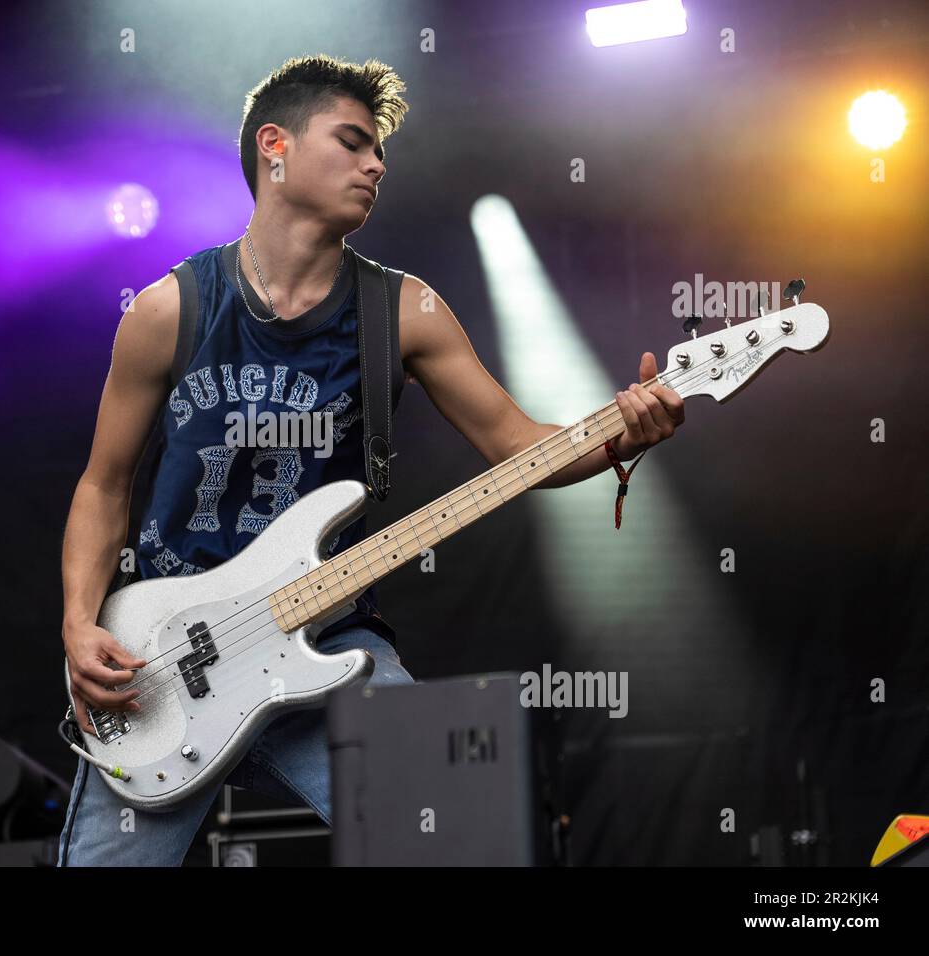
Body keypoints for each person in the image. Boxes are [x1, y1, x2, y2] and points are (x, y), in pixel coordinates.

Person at [58, 54, 684, 866]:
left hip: (328, 633)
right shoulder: (167, 310)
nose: (376, 164)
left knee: (456, 844)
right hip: (161, 660)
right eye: (352, 142)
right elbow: (102, 486)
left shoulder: (405, 311)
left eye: (380, 150)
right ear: (274, 148)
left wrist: (623, 434)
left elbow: (519, 447)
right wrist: (78, 623)